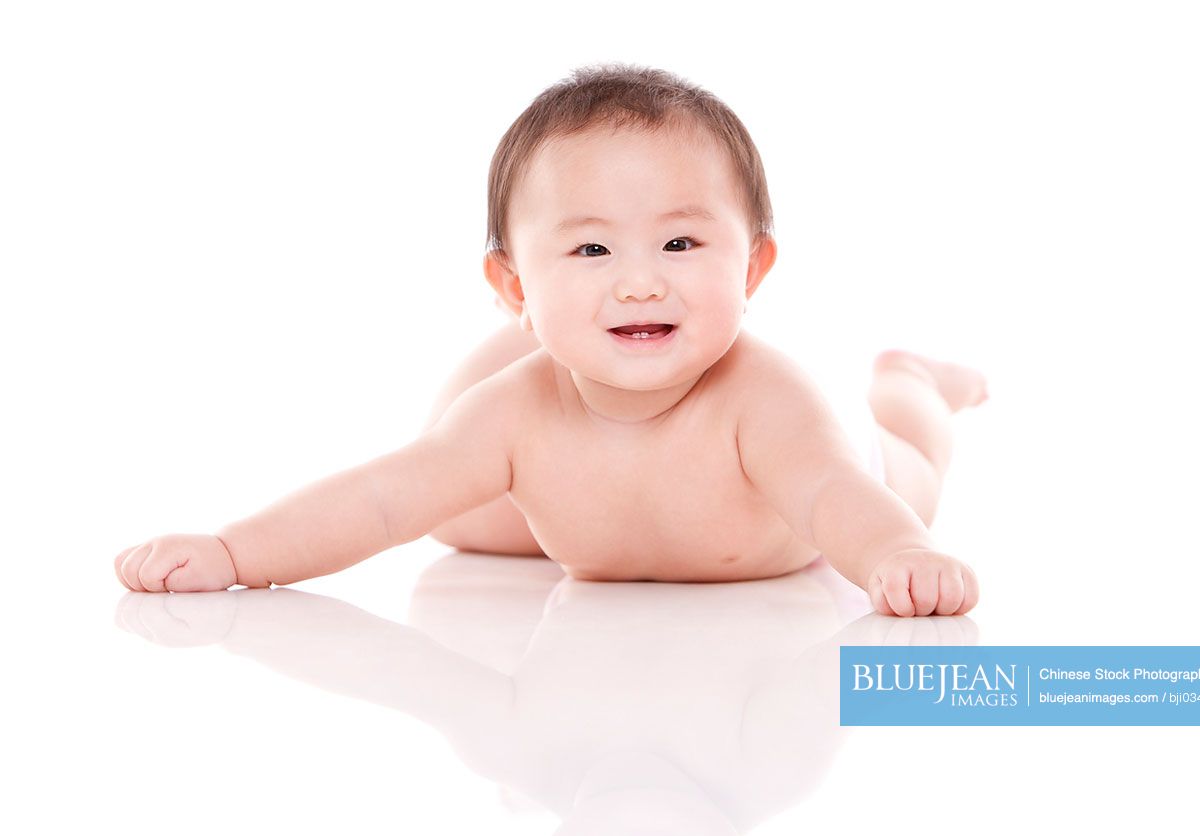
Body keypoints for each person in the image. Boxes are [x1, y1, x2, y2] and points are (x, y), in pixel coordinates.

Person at [114, 63, 989, 617]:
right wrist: (235, 552)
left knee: (909, 469)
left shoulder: (766, 400)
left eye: (681, 244)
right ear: (515, 288)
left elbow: (835, 495)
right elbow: (382, 500)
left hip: (842, 495)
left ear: (752, 267)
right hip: (598, 517)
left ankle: (911, 383)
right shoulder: (512, 411)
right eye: (591, 248)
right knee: (462, 511)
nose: (640, 281)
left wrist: (899, 554)